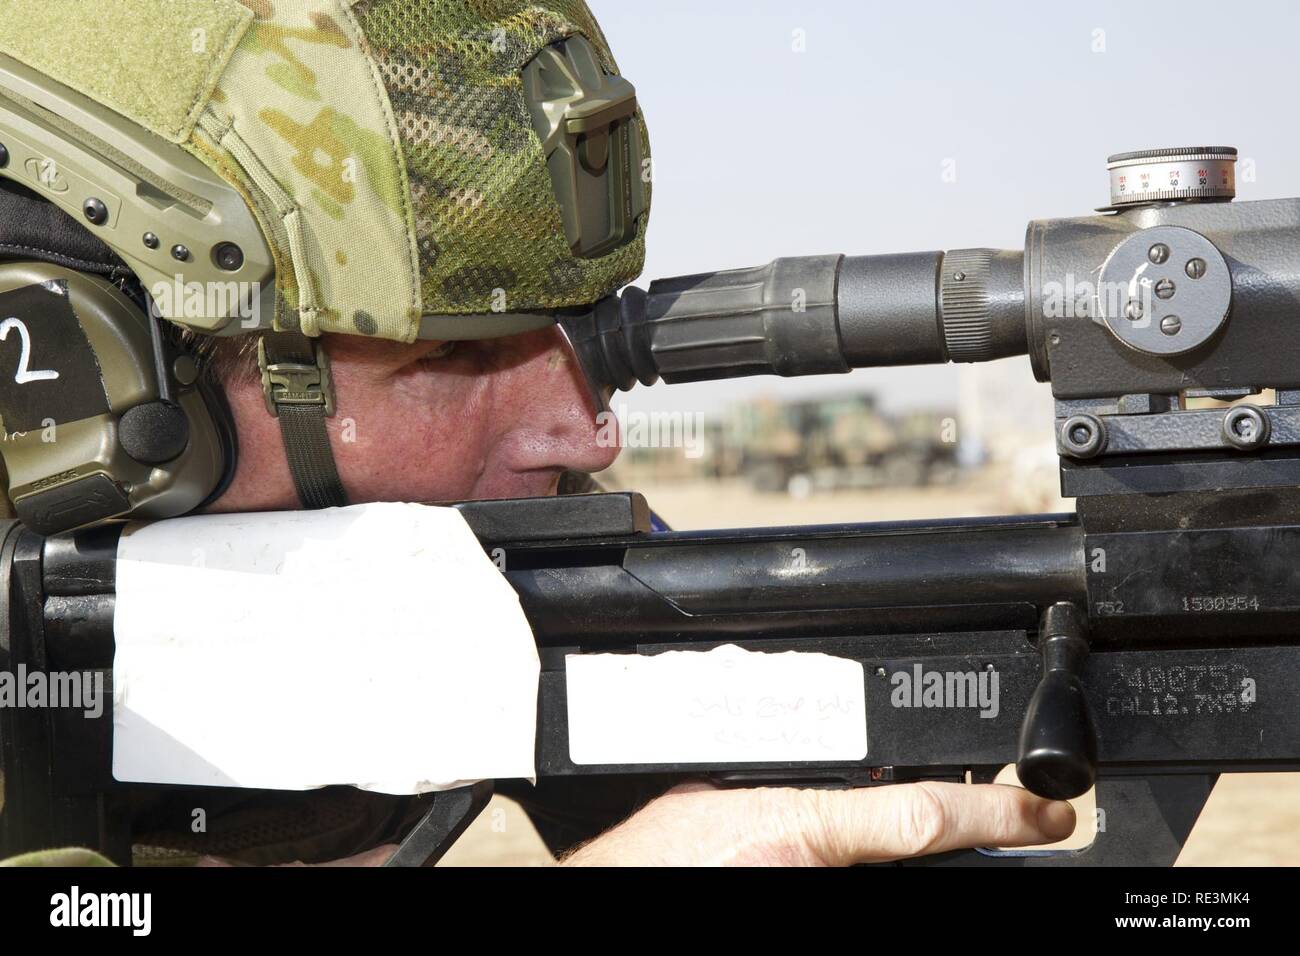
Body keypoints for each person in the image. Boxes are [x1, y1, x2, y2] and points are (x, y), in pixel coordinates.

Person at [0, 0, 1074, 866]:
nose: (587, 432)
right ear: (94, 373)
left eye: (579, 335)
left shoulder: (499, 573)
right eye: (455, 358)